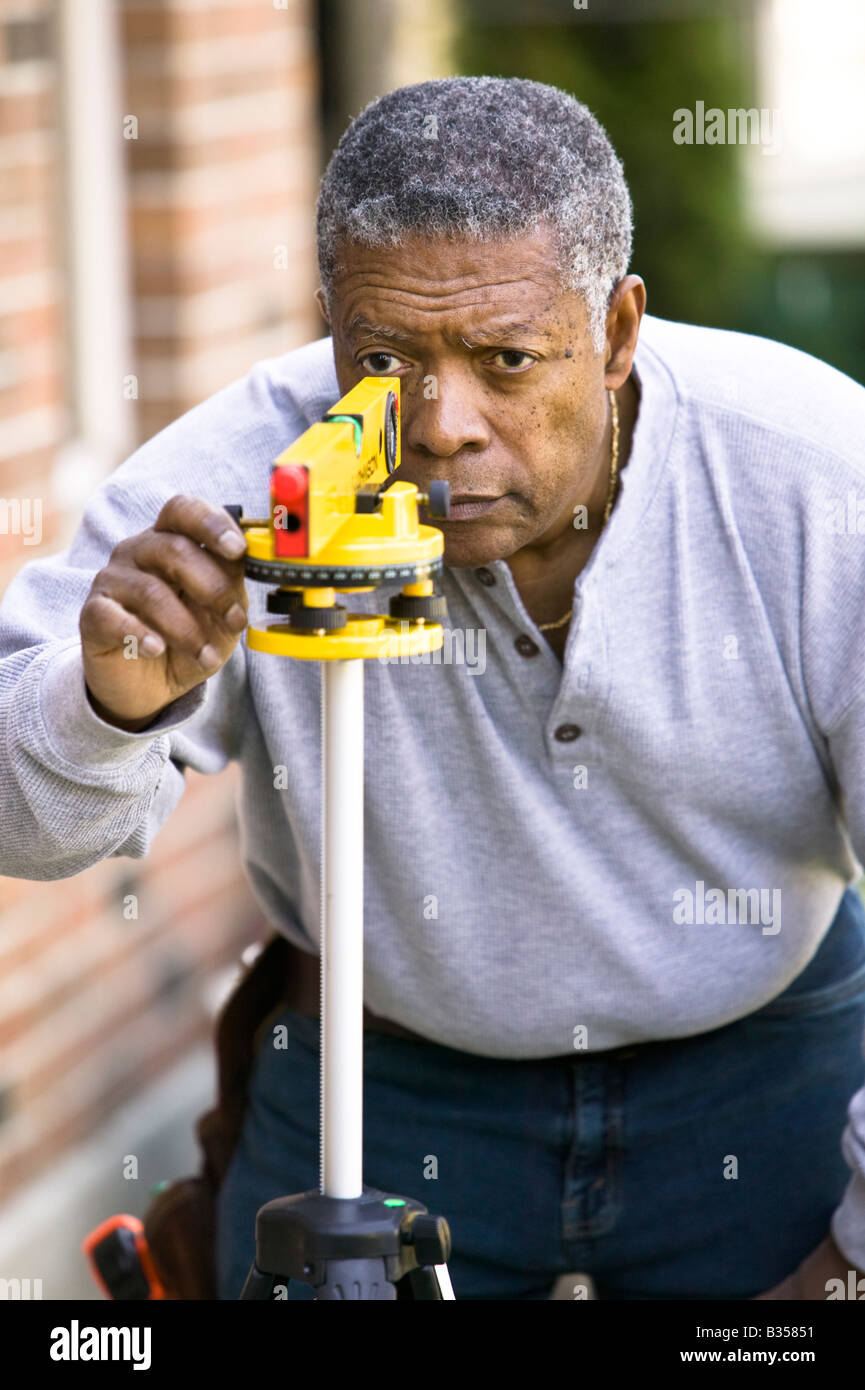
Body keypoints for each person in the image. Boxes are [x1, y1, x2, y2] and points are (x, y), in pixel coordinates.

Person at [2, 75, 865, 1301]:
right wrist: (106, 705)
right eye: (384, 357)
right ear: (331, 322)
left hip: (760, 1063)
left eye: (506, 359)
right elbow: (15, 825)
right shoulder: (247, 475)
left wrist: (850, 1261)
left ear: (618, 333)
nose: (438, 421)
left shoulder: (815, 478)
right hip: (381, 1073)